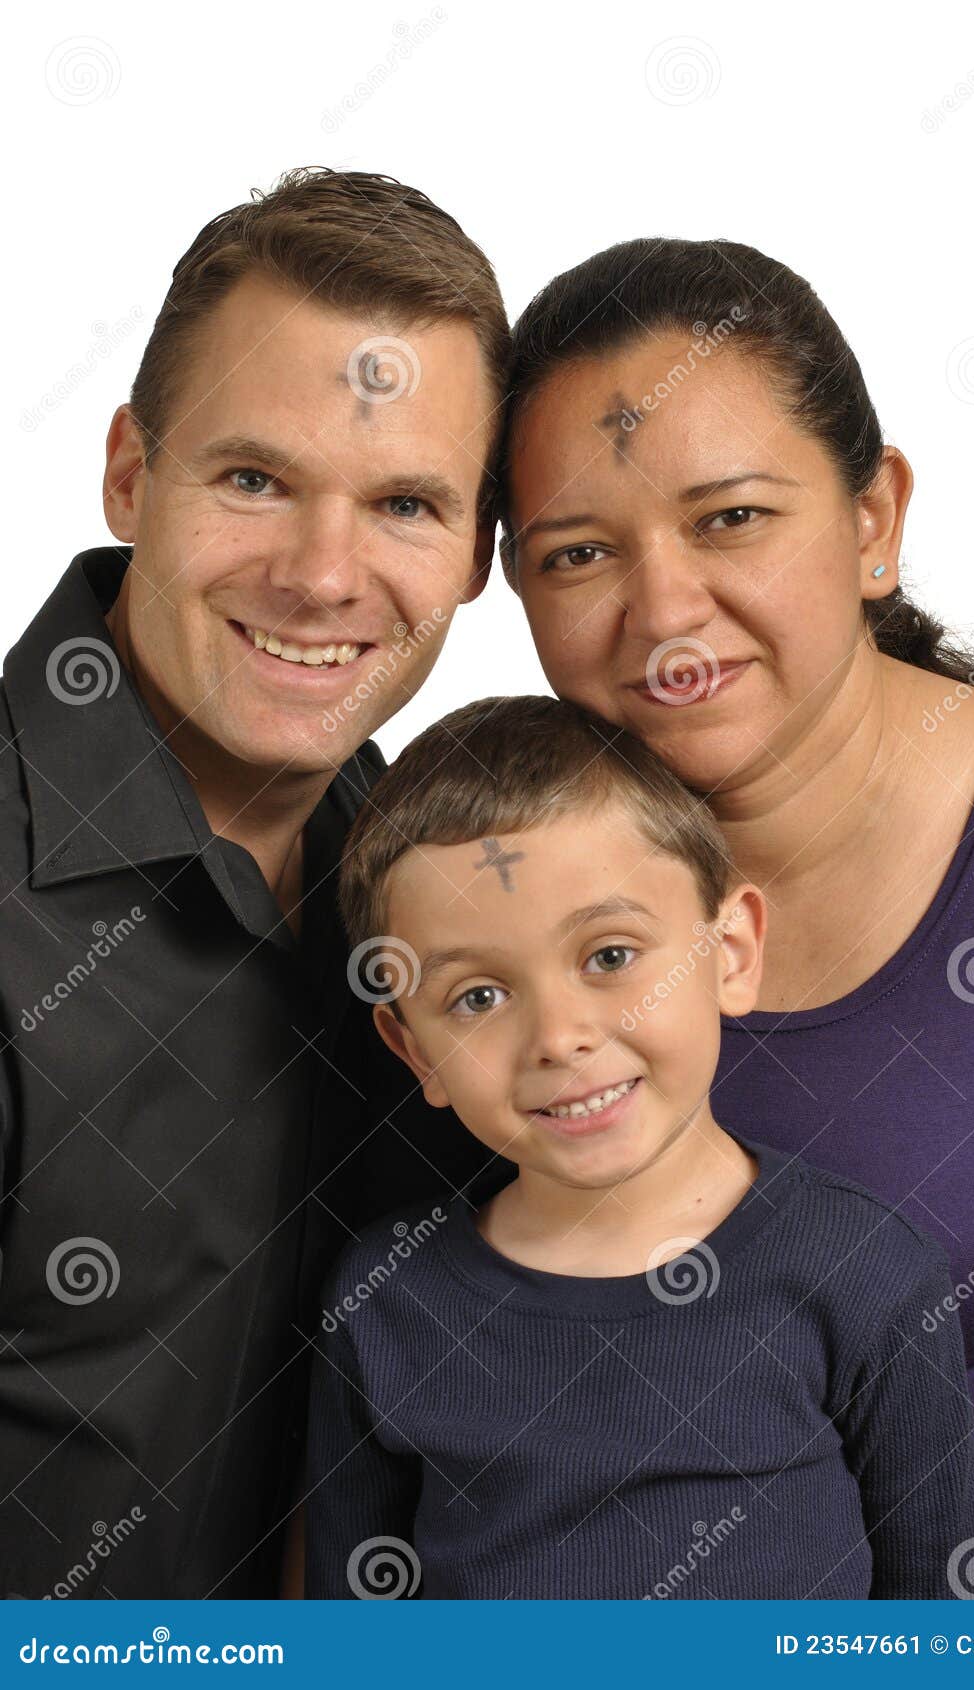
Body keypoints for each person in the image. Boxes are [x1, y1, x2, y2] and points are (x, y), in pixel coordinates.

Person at [493, 237, 974, 1599]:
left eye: (730, 518)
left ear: (871, 521)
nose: (662, 608)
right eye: (579, 552)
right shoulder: (480, 871)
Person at [0, 167, 507, 1598]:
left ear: (477, 551)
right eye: (254, 480)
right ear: (128, 473)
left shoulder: (444, 883)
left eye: (403, 503)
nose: (322, 575)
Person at [305, 694, 974, 1600]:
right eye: (477, 997)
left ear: (730, 951)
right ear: (414, 1051)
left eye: (609, 956)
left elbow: (946, 1626)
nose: (560, 1037)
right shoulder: (384, 1300)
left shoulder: (864, 1271)